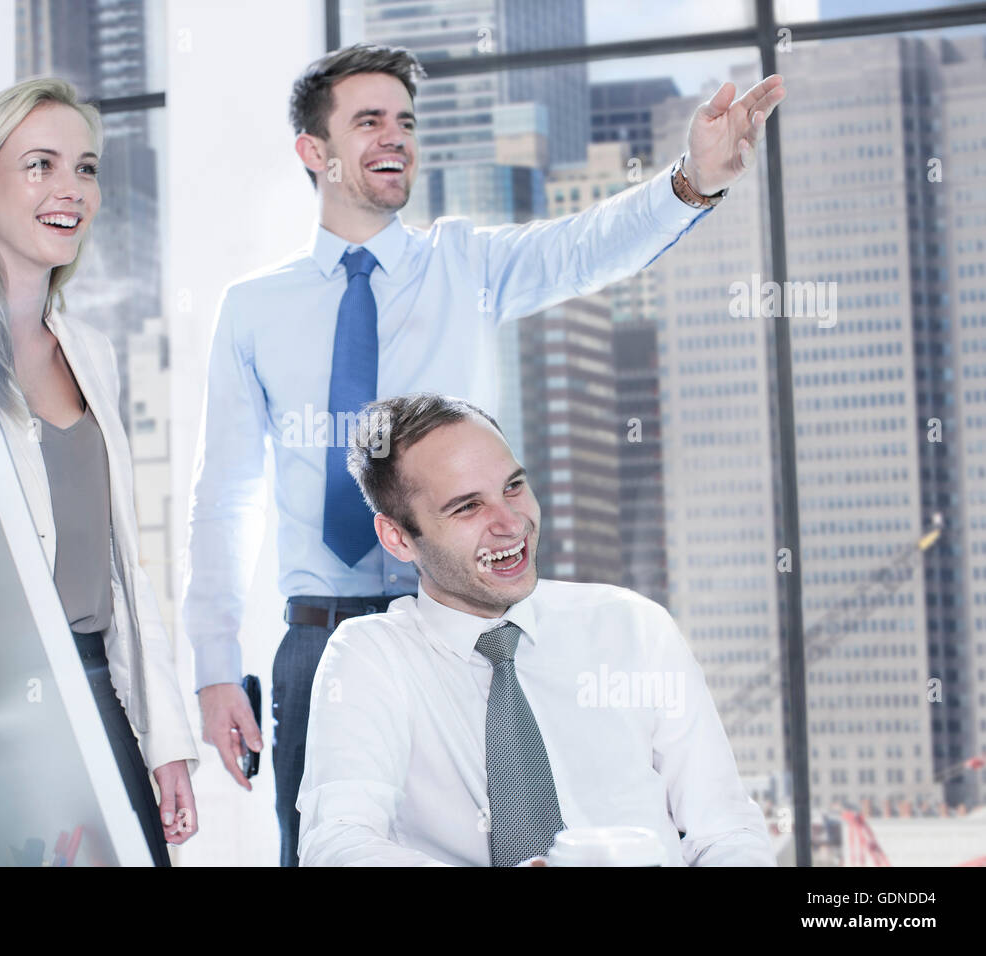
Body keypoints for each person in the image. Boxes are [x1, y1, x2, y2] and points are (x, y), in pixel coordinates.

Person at [183, 41, 786, 865]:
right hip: (323, 636)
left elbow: (587, 245)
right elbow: (224, 497)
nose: (395, 136)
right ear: (313, 152)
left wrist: (693, 179)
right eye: (368, 121)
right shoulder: (251, 310)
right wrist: (216, 666)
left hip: (465, 620)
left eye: (405, 120)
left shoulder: (464, 263)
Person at [296, 393, 776, 867]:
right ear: (398, 538)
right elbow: (337, 843)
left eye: (513, 487)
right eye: (467, 507)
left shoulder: (633, 625)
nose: (510, 523)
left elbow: (726, 831)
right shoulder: (370, 658)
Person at [0, 77, 198, 865]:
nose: (70, 190)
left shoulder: (92, 352)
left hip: (94, 692)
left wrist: (164, 739)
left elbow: (122, 572)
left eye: (85, 168)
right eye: (40, 164)